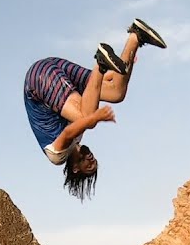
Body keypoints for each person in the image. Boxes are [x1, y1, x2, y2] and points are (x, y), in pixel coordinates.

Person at [22, 19, 167, 200]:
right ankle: (135, 37)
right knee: (116, 92)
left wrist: (95, 118)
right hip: (55, 68)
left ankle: (101, 63)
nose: (92, 160)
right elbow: (110, 79)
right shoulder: (79, 138)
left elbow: (68, 132)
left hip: (39, 79)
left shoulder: (56, 156)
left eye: (89, 166)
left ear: (75, 168)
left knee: (87, 116)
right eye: (95, 162)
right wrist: (127, 62)